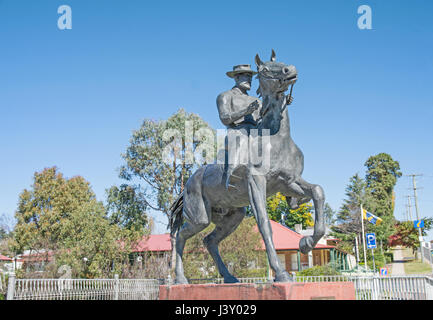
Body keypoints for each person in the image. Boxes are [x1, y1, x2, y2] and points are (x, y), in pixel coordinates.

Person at [216, 65, 261, 189]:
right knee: (240, 138)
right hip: (237, 132)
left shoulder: (256, 100)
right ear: (236, 77)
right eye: (246, 75)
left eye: (250, 76)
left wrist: (281, 102)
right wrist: (245, 112)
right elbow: (224, 118)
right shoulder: (225, 96)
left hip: (255, 133)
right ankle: (232, 177)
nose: (249, 79)